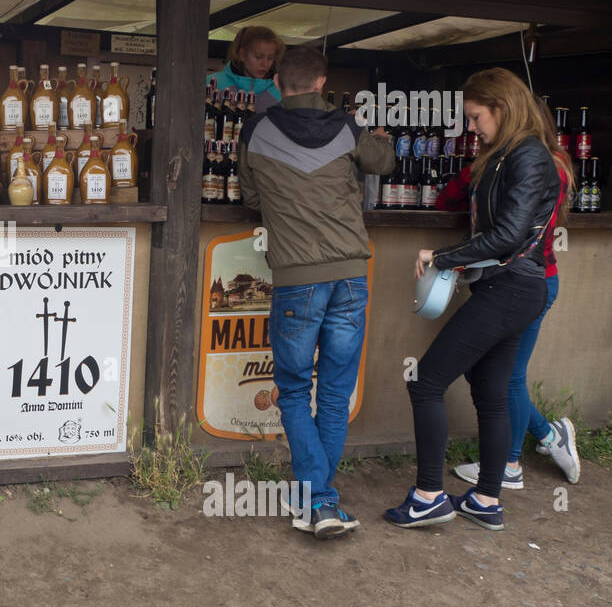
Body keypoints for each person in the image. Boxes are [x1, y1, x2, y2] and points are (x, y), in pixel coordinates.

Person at [386, 69, 563, 532]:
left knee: (424, 382)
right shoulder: (510, 154)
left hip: (511, 289)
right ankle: (486, 500)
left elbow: (507, 235)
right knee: (490, 393)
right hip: (514, 288)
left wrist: (442, 257)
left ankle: (428, 496)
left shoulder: (527, 156)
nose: (473, 127)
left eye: (477, 116)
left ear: (501, 109)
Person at [240, 47, 395, 538]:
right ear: (322, 81)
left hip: (297, 279)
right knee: (332, 393)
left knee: (292, 389)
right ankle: (318, 497)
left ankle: (318, 500)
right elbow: (385, 162)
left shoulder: (256, 130)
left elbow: (249, 197)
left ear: (278, 82)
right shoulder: (348, 128)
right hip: (351, 275)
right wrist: (377, 140)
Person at [435, 133, 581, 490]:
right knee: (488, 374)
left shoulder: (505, 164)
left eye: (479, 119)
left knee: (503, 376)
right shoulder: (557, 165)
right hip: (538, 280)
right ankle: (547, 435)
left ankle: (510, 464)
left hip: (520, 283)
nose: (477, 130)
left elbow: (446, 199)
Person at [208, 25, 283, 113]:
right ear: (242, 55)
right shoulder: (212, 84)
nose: (265, 63)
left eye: (270, 58)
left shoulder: (281, 91)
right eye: (258, 57)